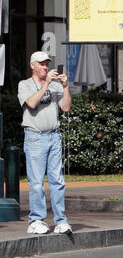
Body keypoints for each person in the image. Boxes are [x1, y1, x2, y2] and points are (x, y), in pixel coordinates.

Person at [18, 51, 72, 234]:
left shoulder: (56, 85)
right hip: (35, 137)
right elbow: (31, 103)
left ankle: (61, 221)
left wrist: (65, 87)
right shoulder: (25, 84)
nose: (45, 67)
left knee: (58, 180)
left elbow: (65, 107)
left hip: (54, 136)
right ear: (32, 65)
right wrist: (46, 84)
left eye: (47, 64)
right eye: (41, 64)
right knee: (36, 182)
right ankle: (36, 220)